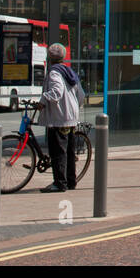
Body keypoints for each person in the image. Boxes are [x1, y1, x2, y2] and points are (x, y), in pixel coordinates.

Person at [36, 43, 84, 192]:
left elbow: (56, 92)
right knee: (69, 151)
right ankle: (70, 181)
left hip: (59, 117)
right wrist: (75, 108)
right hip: (70, 117)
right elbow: (81, 94)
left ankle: (59, 183)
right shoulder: (69, 71)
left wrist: (42, 101)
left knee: (58, 152)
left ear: (49, 58)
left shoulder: (54, 73)